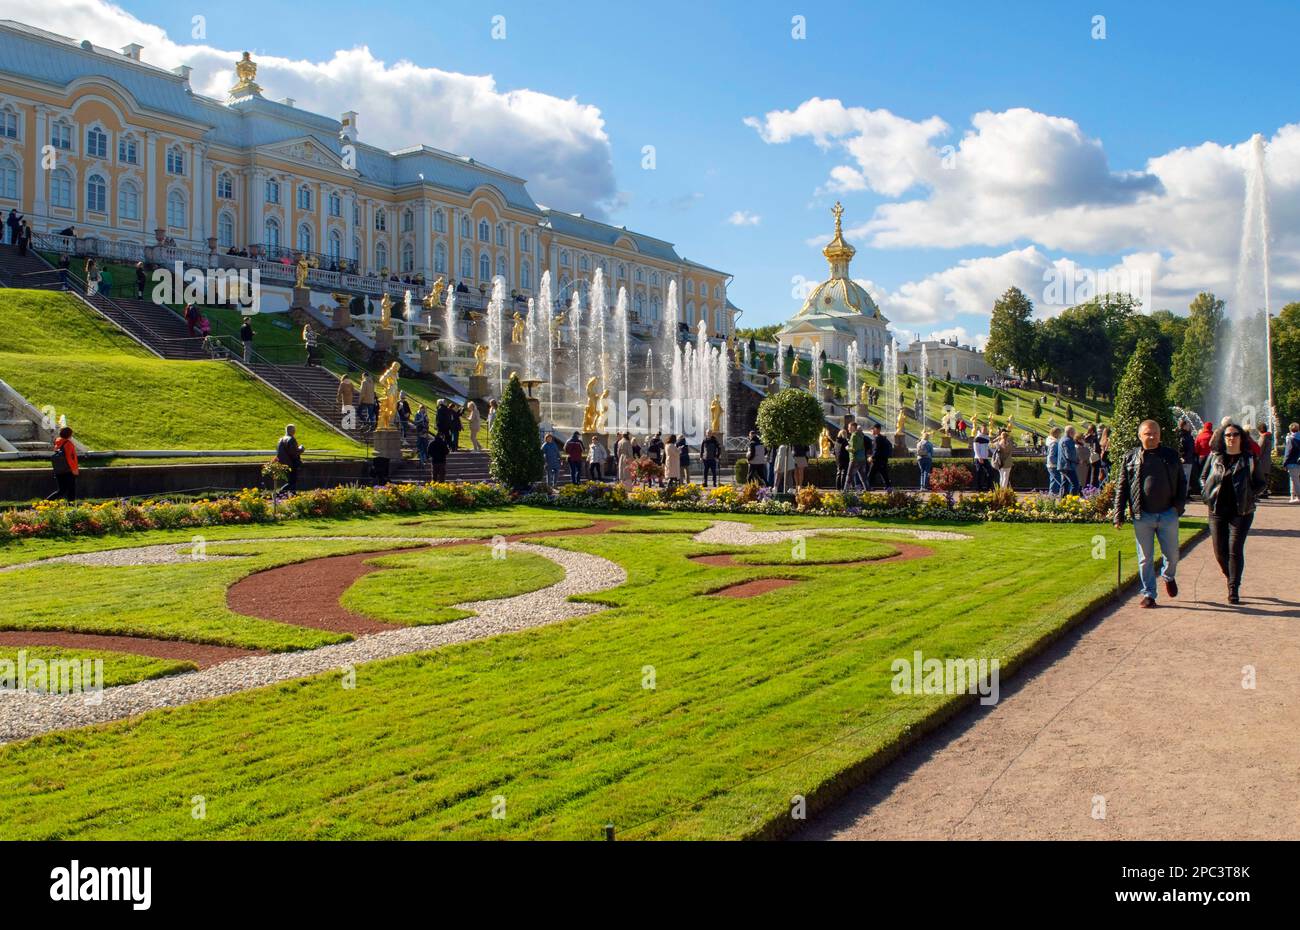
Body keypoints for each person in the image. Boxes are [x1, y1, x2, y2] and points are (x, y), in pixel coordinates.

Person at [1113, 419, 1187, 609]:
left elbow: (1182, 483)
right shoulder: (1130, 458)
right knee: (1145, 557)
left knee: (1172, 555)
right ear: (1140, 436)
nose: (1152, 436)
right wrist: (1118, 514)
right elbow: (1122, 487)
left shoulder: (1170, 456)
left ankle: (1168, 575)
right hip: (1142, 515)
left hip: (1168, 514)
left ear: (1160, 435)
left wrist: (1178, 508)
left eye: (1155, 433)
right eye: (1148, 433)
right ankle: (1149, 594)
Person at [1200, 422, 1268, 604]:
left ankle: (1233, 588)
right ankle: (1231, 576)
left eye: (1235, 434)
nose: (1231, 438)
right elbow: (1203, 477)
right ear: (1222, 437)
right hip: (1217, 510)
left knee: (1234, 550)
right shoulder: (1215, 457)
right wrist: (1206, 494)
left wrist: (1249, 495)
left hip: (1241, 511)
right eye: (1228, 435)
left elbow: (1261, 483)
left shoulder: (1249, 458)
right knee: (1219, 551)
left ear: (1241, 437)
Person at [47, 426, 79, 502]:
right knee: (71, 490)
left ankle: (44, 503)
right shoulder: (68, 444)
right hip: (68, 470)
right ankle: (71, 508)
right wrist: (74, 470)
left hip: (59, 470)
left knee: (61, 490)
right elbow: (70, 458)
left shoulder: (58, 442)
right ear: (69, 435)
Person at [276, 424, 304, 493]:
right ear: (291, 431)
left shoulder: (281, 439)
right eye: (294, 430)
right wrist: (301, 448)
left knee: (291, 480)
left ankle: (293, 494)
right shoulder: (291, 439)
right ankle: (280, 493)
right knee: (292, 481)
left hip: (284, 463)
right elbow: (294, 452)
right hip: (292, 463)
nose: (295, 431)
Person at [867, 425, 893, 490]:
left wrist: (871, 457)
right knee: (883, 473)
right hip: (883, 460)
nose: (871, 431)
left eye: (872, 429)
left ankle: (868, 487)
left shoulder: (877, 438)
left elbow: (876, 450)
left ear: (876, 429)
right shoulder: (883, 438)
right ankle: (888, 486)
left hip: (877, 460)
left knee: (871, 474)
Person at [844, 422, 868, 491]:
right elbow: (859, 446)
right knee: (863, 476)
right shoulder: (860, 435)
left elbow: (854, 449)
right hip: (862, 459)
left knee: (849, 475)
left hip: (855, 459)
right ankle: (867, 489)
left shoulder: (853, 436)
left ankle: (845, 491)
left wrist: (847, 448)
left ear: (853, 427)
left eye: (849, 427)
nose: (848, 428)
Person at [1058, 426, 1081, 496]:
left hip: (1063, 465)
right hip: (1068, 466)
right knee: (1075, 484)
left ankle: (1062, 502)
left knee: (1064, 484)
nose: (1075, 434)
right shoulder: (1068, 441)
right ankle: (1072, 501)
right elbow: (1069, 455)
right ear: (1071, 433)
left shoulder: (1062, 439)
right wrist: (1077, 460)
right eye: (1074, 432)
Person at [971, 425, 993, 491]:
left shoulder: (987, 438)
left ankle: (988, 487)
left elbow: (990, 447)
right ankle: (978, 488)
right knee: (979, 473)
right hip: (978, 458)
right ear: (981, 429)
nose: (985, 430)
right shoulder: (977, 438)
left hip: (985, 458)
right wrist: (979, 457)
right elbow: (976, 449)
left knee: (990, 472)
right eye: (984, 429)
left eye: (986, 429)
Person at [1178, 419, 1197, 492]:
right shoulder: (1185, 435)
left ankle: (1186, 492)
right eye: (1188, 425)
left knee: (1186, 476)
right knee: (1186, 476)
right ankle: (1184, 493)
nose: (1189, 426)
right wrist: (1184, 457)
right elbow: (1187, 448)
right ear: (1184, 426)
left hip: (1186, 458)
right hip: (1186, 459)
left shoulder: (1184, 435)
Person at [1255, 421, 1273, 499]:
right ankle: (1265, 491)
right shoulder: (1269, 437)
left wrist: (1256, 457)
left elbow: (1260, 449)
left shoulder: (1263, 437)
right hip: (1267, 460)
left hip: (1262, 460)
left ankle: (1262, 492)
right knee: (1265, 476)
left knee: (1261, 476)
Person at [1284, 422, 1300, 503]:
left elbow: (1288, 452)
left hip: (1292, 462)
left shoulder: (1291, 439)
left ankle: (1298, 497)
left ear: (1290, 429)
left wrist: (1284, 463)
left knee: (1295, 480)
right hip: (1298, 462)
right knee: (1294, 480)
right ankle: (1292, 496)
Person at [1044, 426, 1062, 495]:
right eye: (1060, 433)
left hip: (1051, 465)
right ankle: (1052, 496)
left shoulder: (1051, 441)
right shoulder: (1054, 443)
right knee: (1057, 482)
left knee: (1053, 481)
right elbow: (1051, 456)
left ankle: (1052, 496)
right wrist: (1059, 462)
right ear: (1057, 434)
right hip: (1053, 465)